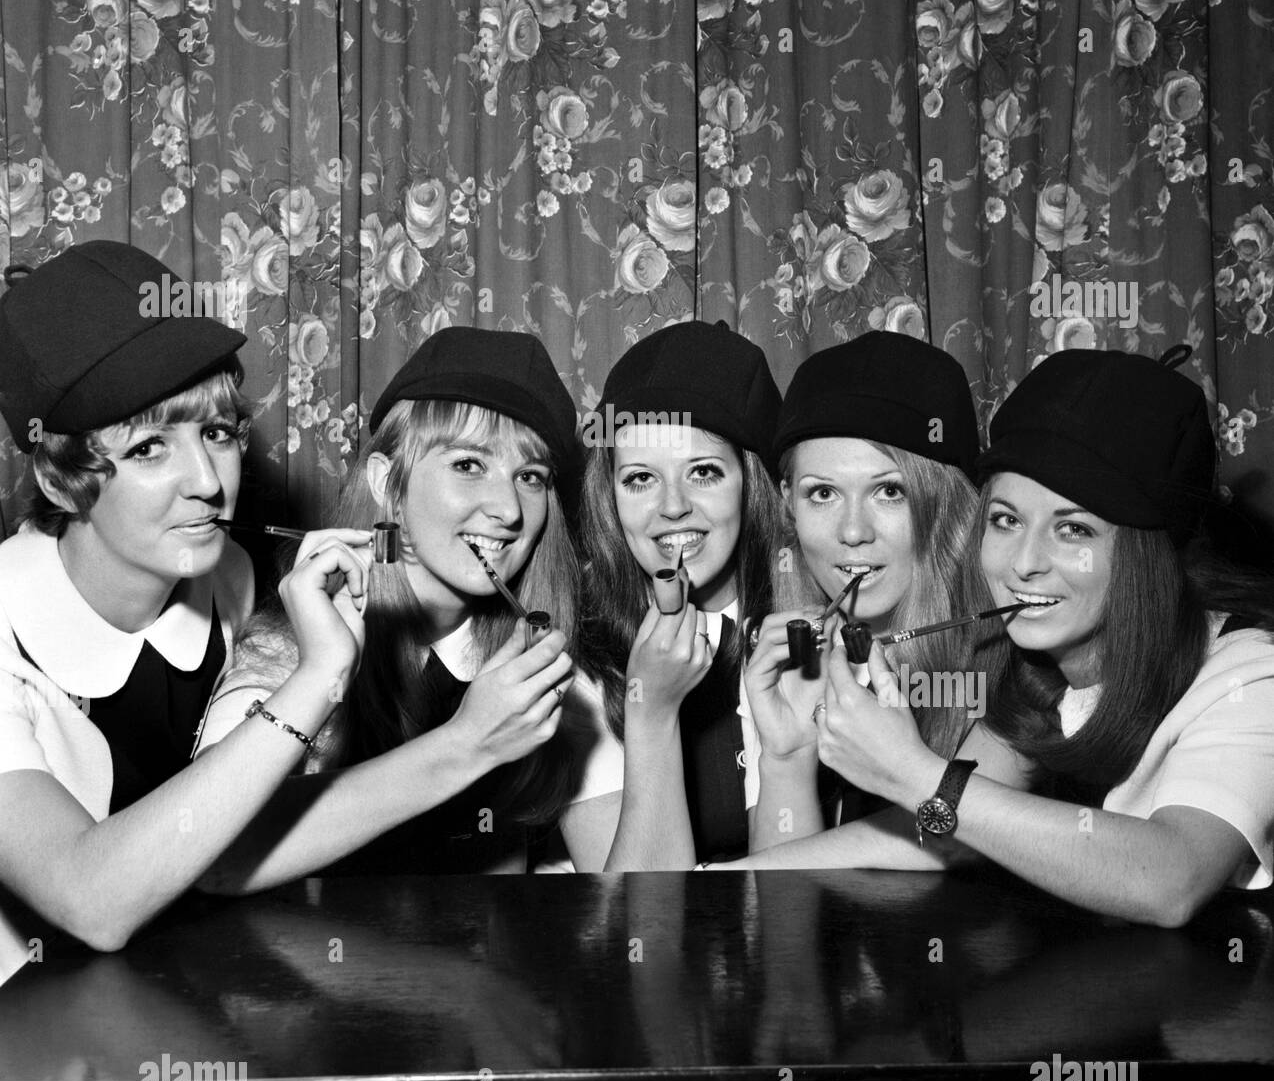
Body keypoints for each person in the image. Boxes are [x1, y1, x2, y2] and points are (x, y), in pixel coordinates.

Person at [722, 349, 1274, 928]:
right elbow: (943, 830)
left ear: (1149, 554)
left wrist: (911, 772)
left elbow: (1171, 880)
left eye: (1072, 529)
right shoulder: (1040, 671)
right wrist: (719, 874)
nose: (1024, 563)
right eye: (1007, 520)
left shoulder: (1249, 671)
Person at [0, 240, 339, 952]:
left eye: (216, 433)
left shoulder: (232, 578)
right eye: (149, 447)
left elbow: (229, 851)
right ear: (60, 480)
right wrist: (317, 679)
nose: (209, 483)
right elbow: (89, 899)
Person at [195, 326, 582, 879]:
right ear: (387, 483)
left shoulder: (535, 660)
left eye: (530, 476)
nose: (508, 509)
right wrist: (464, 744)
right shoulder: (294, 652)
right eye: (468, 464)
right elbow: (207, 853)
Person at [744, 332, 1008, 853]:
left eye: (889, 491)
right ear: (788, 502)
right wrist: (787, 756)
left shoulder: (1011, 656)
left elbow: (943, 849)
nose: (852, 532)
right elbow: (785, 899)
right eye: (823, 493)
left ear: (947, 504)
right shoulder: (780, 659)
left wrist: (707, 882)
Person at [558, 321, 785, 870]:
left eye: (703, 472)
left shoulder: (807, 625)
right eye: (640, 479)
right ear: (610, 497)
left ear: (752, 484)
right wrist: (650, 708)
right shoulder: (575, 657)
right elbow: (638, 906)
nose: (673, 506)